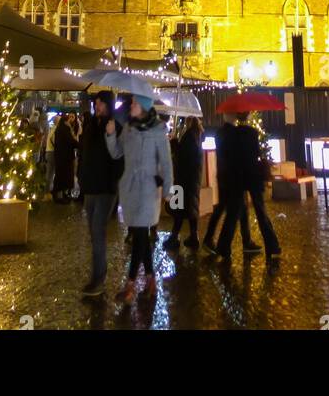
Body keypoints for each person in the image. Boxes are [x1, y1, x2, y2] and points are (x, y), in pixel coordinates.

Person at [106, 94, 173, 304]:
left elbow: (167, 162)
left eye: (134, 103)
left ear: (143, 106)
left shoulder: (158, 130)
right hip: (129, 188)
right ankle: (151, 280)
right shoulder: (127, 128)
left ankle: (130, 285)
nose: (130, 105)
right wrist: (110, 135)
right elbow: (116, 153)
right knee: (140, 233)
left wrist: (170, 190)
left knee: (140, 234)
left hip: (147, 189)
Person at [215, 113, 281, 263]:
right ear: (248, 117)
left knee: (232, 213)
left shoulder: (233, 134)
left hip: (238, 176)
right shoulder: (252, 132)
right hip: (253, 175)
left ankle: (223, 247)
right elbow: (256, 153)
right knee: (261, 212)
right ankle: (272, 246)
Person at [78, 93, 121, 296]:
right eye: (96, 102)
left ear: (109, 105)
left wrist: (112, 181)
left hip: (105, 189)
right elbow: (84, 153)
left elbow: (118, 158)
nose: (97, 105)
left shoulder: (114, 126)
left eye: (101, 102)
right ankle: (97, 274)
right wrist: (82, 177)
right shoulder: (91, 126)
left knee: (97, 231)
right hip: (90, 188)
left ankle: (98, 278)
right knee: (93, 233)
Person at [202, 117, 260, 256]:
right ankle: (224, 245)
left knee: (232, 209)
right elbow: (237, 156)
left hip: (223, 177)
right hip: (234, 178)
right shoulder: (234, 134)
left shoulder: (220, 133)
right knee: (233, 213)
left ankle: (245, 241)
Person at [165, 117, 204, 250]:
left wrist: (174, 144)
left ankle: (174, 237)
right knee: (190, 210)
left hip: (183, 180)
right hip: (192, 181)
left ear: (190, 122)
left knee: (178, 210)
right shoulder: (197, 136)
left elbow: (182, 158)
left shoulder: (188, 137)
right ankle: (193, 237)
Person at [53, 113, 76, 203]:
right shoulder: (65, 129)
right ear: (65, 121)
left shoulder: (59, 129)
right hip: (65, 157)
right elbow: (71, 141)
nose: (69, 121)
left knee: (59, 176)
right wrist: (80, 145)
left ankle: (59, 195)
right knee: (63, 176)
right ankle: (60, 196)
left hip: (59, 156)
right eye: (68, 120)